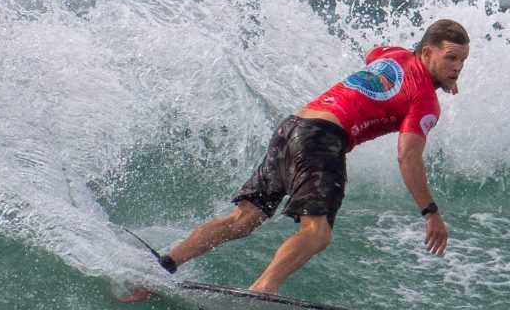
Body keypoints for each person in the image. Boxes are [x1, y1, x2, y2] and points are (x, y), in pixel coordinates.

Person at [156, 19, 470, 294]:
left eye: (461, 61)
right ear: (427, 53)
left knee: (245, 220)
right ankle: (264, 288)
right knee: (317, 234)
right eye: (450, 58)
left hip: (291, 127)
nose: (457, 67)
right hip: (322, 138)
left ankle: (166, 264)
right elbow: (407, 156)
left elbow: (374, 53)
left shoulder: (396, 55)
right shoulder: (426, 102)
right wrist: (430, 212)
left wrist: (439, 78)